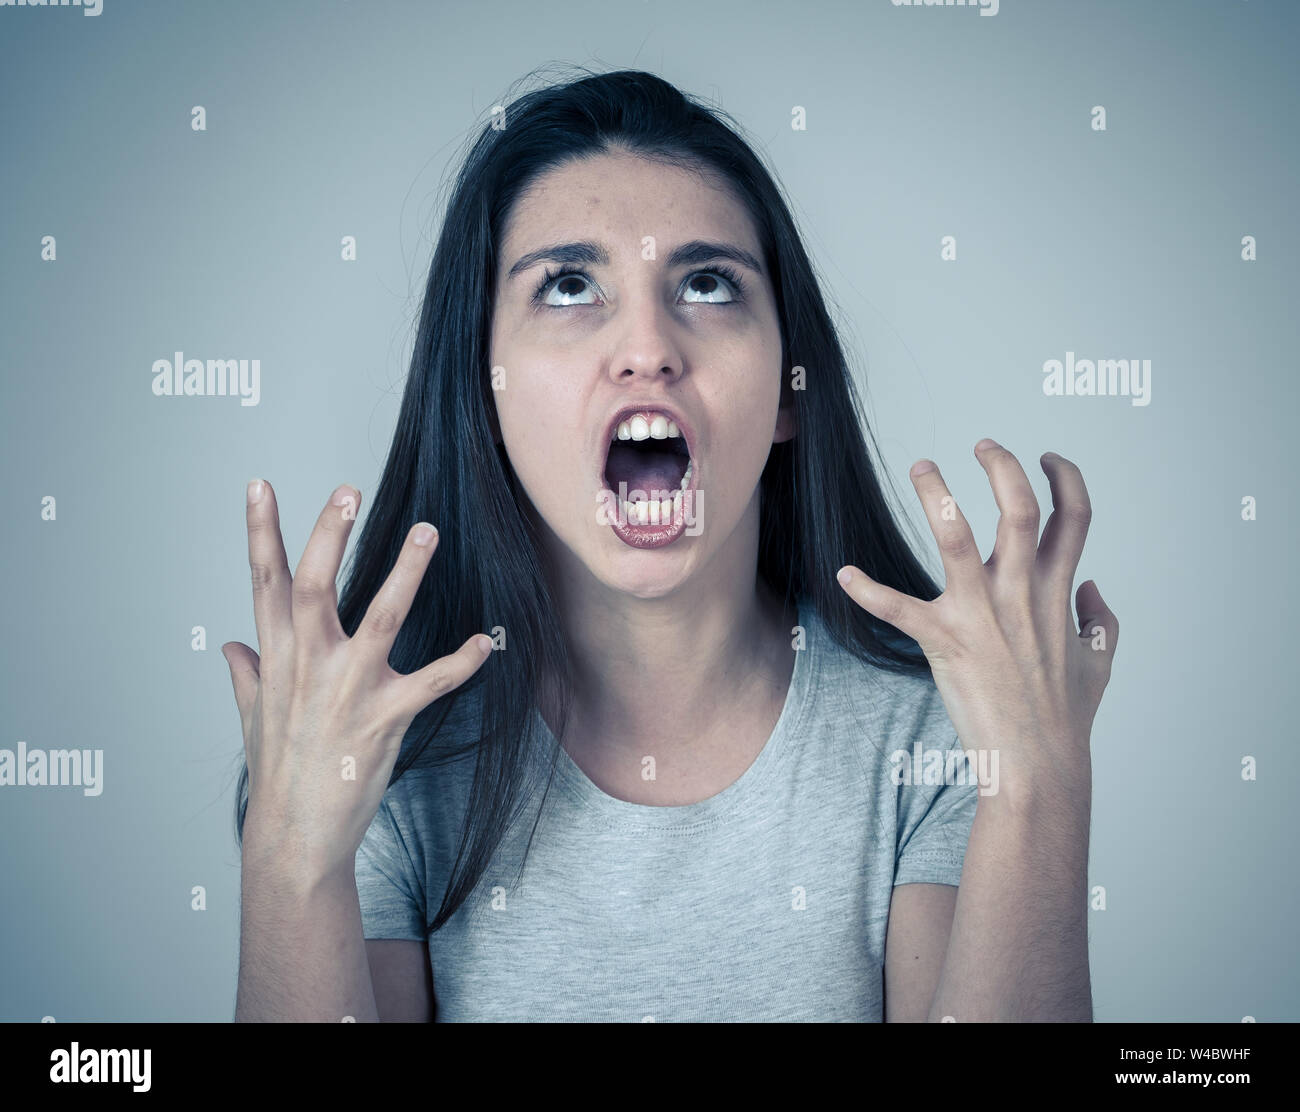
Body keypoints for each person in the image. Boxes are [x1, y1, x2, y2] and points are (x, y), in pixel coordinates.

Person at [222, 67, 1118, 1022]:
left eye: (706, 283)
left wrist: (1037, 789)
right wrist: (292, 862)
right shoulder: (383, 751)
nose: (648, 346)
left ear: (786, 391)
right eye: (569, 286)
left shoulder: (932, 736)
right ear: (484, 390)